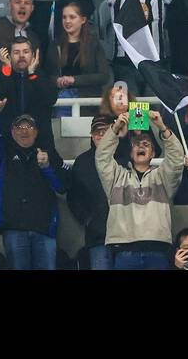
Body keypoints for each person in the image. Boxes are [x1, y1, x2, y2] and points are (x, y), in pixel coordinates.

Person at [95, 107, 186, 270]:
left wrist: (162, 127)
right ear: (130, 153)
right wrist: (115, 128)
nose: (141, 146)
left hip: (157, 251)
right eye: (136, 144)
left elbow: (177, 159)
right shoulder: (117, 177)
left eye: (146, 144)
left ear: (152, 153)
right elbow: (102, 157)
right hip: (124, 252)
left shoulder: (163, 178)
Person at [0, 101, 64, 270]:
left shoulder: (48, 154)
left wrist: (46, 167)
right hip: (14, 229)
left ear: (36, 131)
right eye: (19, 127)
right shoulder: (3, 155)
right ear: (12, 132)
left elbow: (61, 186)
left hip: (44, 229)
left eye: (29, 127)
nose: (24, 131)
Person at [67, 115, 113, 270]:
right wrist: (88, 219)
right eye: (96, 132)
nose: (100, 135)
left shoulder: (124, 156)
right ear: (91, 136)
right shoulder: (82, 162)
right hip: (97, 238)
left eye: (104, 131)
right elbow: (73, 197)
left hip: (127, 240)